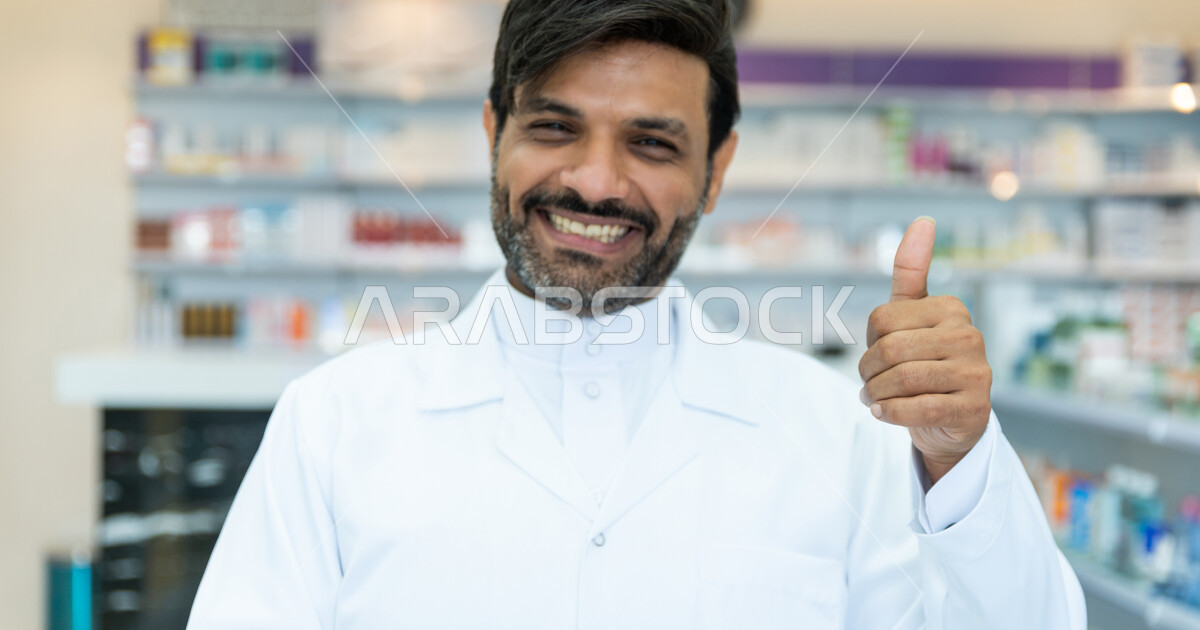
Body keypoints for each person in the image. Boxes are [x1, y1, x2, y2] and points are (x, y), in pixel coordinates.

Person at [187, 1, 1086, 628]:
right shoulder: (333, 423)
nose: (596, 182)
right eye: (554, 127)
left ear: (716, 170)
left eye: (651, 143)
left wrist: (960, 459)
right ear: (494, 132)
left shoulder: (836, 435)